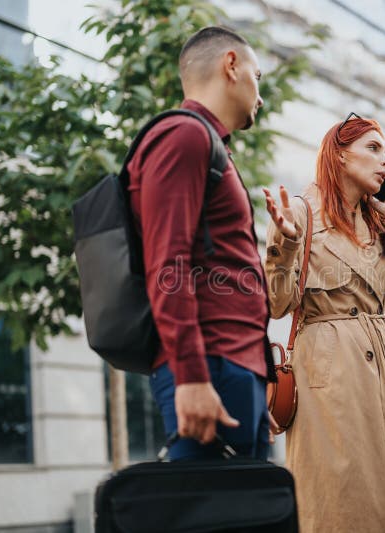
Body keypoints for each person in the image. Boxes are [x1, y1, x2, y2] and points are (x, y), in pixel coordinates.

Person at [264, 114, 385, 532]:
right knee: (342, 498)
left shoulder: (379, 219)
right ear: (341, 155)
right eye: (374, 148)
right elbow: (276, 304)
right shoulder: (299, 212)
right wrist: (287, 242)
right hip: (329, 374)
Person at [127, 26, 275, 460]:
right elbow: (166, 262)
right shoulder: (184, 135)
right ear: (231, 65)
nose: (260, 96)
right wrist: (191, 376)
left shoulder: (211, 145)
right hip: (208, 367)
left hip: (233, 366)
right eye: (257, 76)